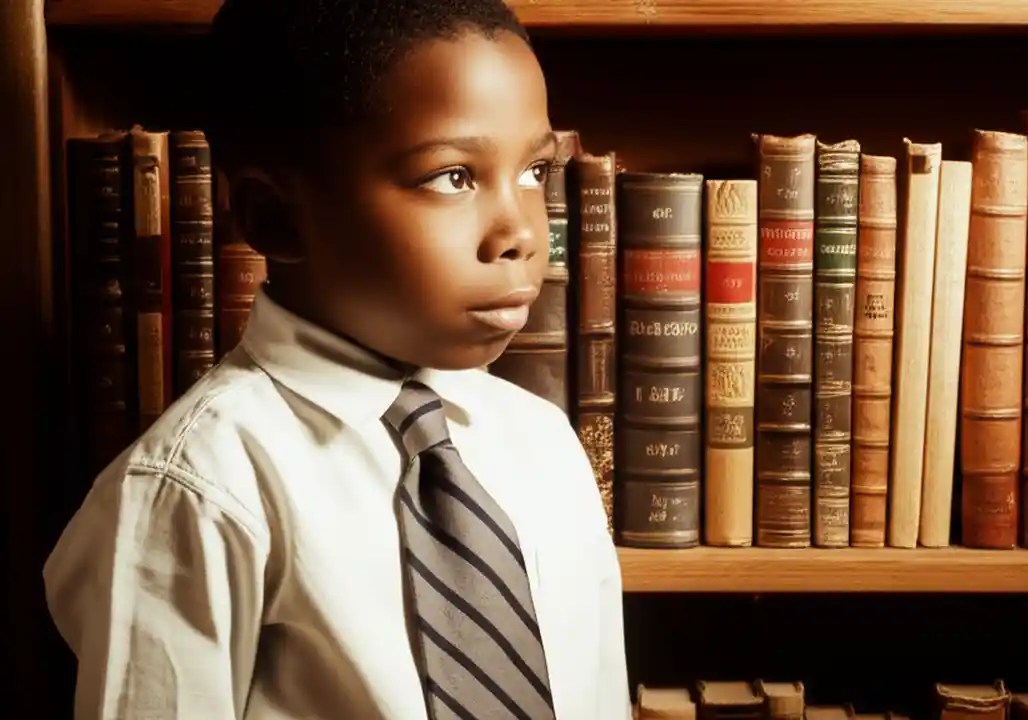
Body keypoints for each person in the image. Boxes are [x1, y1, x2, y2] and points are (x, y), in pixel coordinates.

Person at [42, 0, 631, 717]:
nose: (520, 233)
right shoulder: (200, 490)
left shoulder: (545, 446)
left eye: (536, 170)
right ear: (272, 217)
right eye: (452, 177)